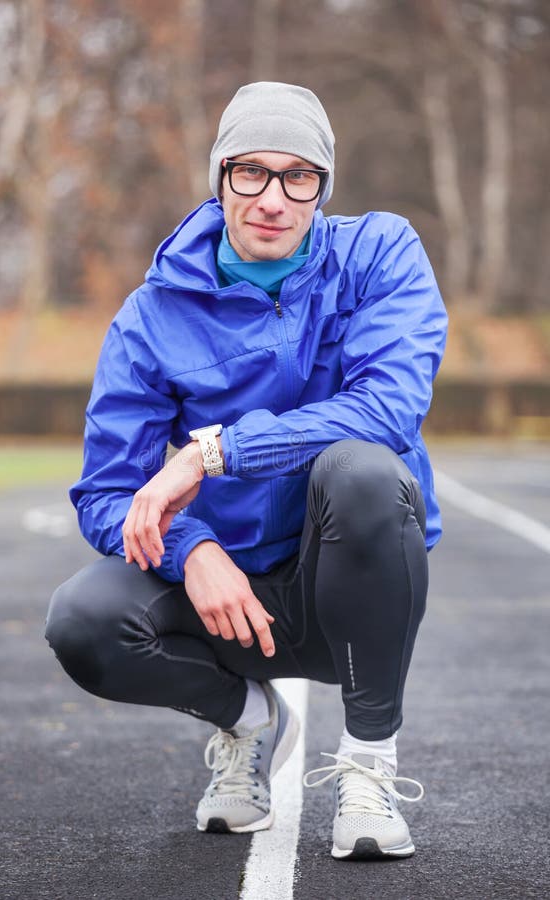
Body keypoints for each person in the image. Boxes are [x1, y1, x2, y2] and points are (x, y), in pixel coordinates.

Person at [46, 81, 447, 861]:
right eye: (251, 172)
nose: (273, 198)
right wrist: (190, 549)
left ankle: (369, 764)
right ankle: (247, 719)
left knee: (365, 473)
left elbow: (388, 409)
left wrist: (213, 451)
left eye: (299, 176)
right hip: (220, 601)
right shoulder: (151, 316)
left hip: (340, 596)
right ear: (220, 177)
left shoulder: (380, 253)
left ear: (323, 187)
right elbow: (105, 491)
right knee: (83, 621)